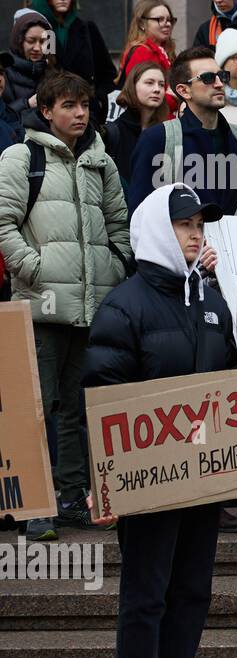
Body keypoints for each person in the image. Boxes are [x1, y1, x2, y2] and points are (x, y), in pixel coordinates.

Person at [82, 182, 234, 658]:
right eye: (183, 225)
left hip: (205, 475)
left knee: (192, 588)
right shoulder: (124, 305)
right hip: (147, 480)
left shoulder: (214, 302)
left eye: (199, 225)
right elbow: (100, 394)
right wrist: (104, 480)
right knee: (146, 591)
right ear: (154, 230)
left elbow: (231, 385)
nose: (195, 233)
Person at [0, 72, 131, 540]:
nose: (81, 113)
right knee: (37, 406)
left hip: (92, 305)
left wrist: (113, 267)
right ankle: (36, 504)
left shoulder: (100, 160)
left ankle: (73, 497)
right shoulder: (22, 157)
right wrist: (32, 269)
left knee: (78, 407)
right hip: (41, 305)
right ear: (48, 110)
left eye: (86, 105)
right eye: (70, 106)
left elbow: (119, 222)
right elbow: (3, 222)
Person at [128, 47, 237, 216]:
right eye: (208, 78)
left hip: (235, 239)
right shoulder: (157, 139)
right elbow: (139, 214)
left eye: (222, 76)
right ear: (184, 91)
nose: (219, 84)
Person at [31, 0, 115, 123]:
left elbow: (107, 72)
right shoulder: (40, 30)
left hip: (86, 112)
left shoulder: (86, 28)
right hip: (51, 115)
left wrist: (99, 99)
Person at [104, 61, 170, 182]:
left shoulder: (166, 132)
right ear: (133, 86)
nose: (157, 89)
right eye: (149, 83)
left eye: (161, 85)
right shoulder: (114, 132)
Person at [4, 11, 54, 131]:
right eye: (31, 41)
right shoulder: (4, 73)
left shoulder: (53, 72)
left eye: (42, 42)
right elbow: (3, 117)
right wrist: (27, 104)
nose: (37, 48)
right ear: (19, 41)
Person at [118, 0, 178, 95]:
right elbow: (143, 98)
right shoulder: (142, 52)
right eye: (160, 19)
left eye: (169, 19)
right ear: (142, 24)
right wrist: (175, 98)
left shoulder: (165, 51)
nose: (168, 24)